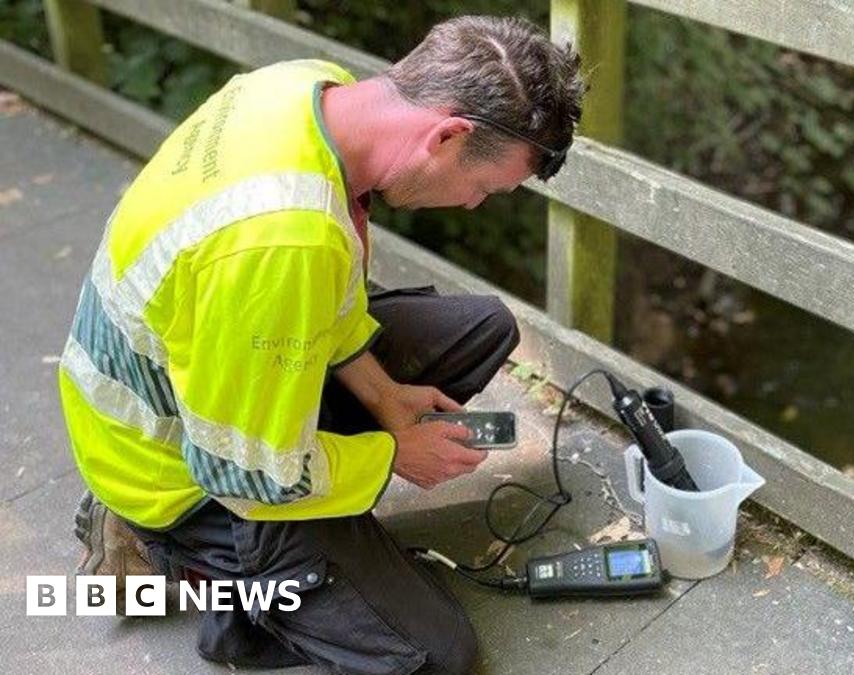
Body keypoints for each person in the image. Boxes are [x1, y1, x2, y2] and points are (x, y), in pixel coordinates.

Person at [60, 15, 584, 674]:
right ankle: (205, 576)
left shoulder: (312, 89)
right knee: (436, 655)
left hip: (232, 364)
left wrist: (386, 397)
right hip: (183, 469)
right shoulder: (284, 240)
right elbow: (247, 474)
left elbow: (328, 294)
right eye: (483, 187)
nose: (474, 205)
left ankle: (318, 546)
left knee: (485, 328)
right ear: (448, 135)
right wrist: (392, 454)